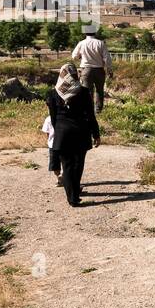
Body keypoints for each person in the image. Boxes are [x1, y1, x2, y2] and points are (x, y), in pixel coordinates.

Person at [47, 63, 100, 207]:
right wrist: (96, 134)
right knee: (78, 165)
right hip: (81, 132)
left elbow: (53, 118)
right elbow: (90, 116)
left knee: (67, 166)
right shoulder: (83, 92)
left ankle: (72, 198)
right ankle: (75, 195)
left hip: (62, 134)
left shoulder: (53, 93)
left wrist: (58, 130)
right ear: (75, 75)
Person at [71, 23, 111, 112]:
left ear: (85, 33)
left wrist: (80, 56)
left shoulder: (81, 43)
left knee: (87, 92)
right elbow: (107, 58)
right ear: (95, 33)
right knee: (99, 91)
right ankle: (98, 109)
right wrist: (109, 70)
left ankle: (88, 110)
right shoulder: (100, 43)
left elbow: (74, 56)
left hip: (86, 70)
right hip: (99, 70)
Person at [41, 114, 61, 185]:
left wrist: (49, 141)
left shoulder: (48, 119)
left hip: (53, 144)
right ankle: (63, 176)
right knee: (66, 162)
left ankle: (59, 178)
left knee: (55, 164)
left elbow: (47, 133)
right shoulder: (64, 117)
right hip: (64, 143)